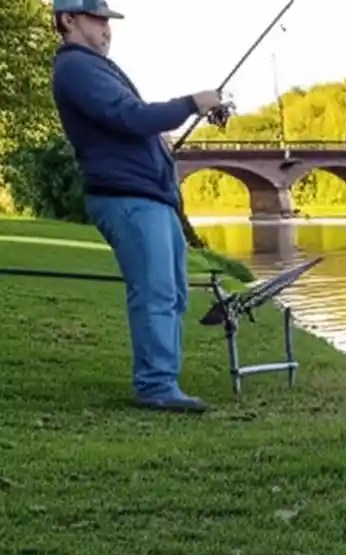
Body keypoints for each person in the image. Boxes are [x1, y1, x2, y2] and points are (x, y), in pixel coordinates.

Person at [49, 0, 225, 413]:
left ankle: (165, 377)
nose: (107, 29)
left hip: (149, 197)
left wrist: (159, 144)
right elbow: (130, 117)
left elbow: (131, 125)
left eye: (109, 22)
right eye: (98, 19)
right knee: (154, 291)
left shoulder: (95, 68)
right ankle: (156, 385)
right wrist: (191, 102)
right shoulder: (76, 67)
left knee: (173, 292)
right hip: (126, 197)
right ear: (69, 20)